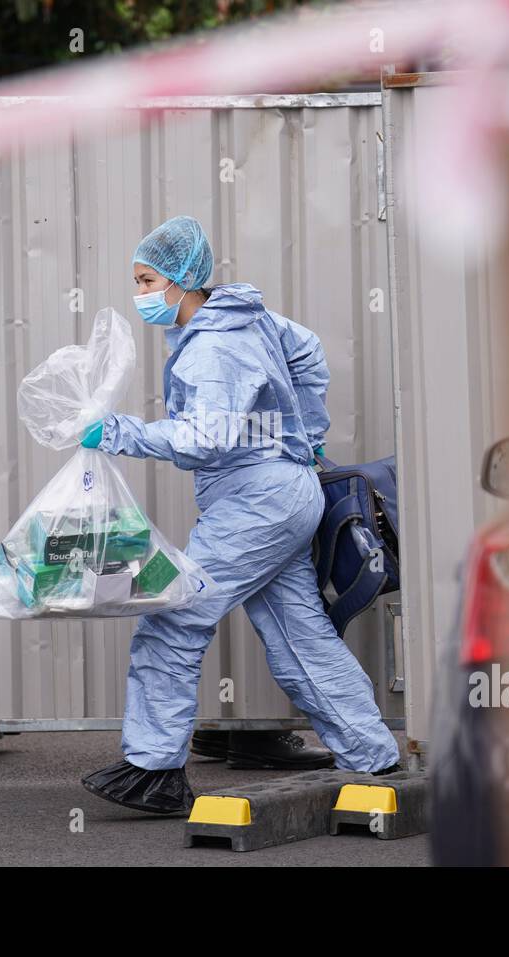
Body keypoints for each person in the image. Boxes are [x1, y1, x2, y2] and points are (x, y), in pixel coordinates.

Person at [79, 215, 400, 814]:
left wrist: (116, 432)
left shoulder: (212, 348)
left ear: (181, 281)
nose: (141, 293)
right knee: (299, 635)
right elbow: (307, 352)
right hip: (285, 493)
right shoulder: (247, 318)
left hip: (257, 503)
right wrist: (302, 433)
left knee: (173, 617)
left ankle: (154, 769)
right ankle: (372, 754)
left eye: (147, 280)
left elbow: (206, 440)